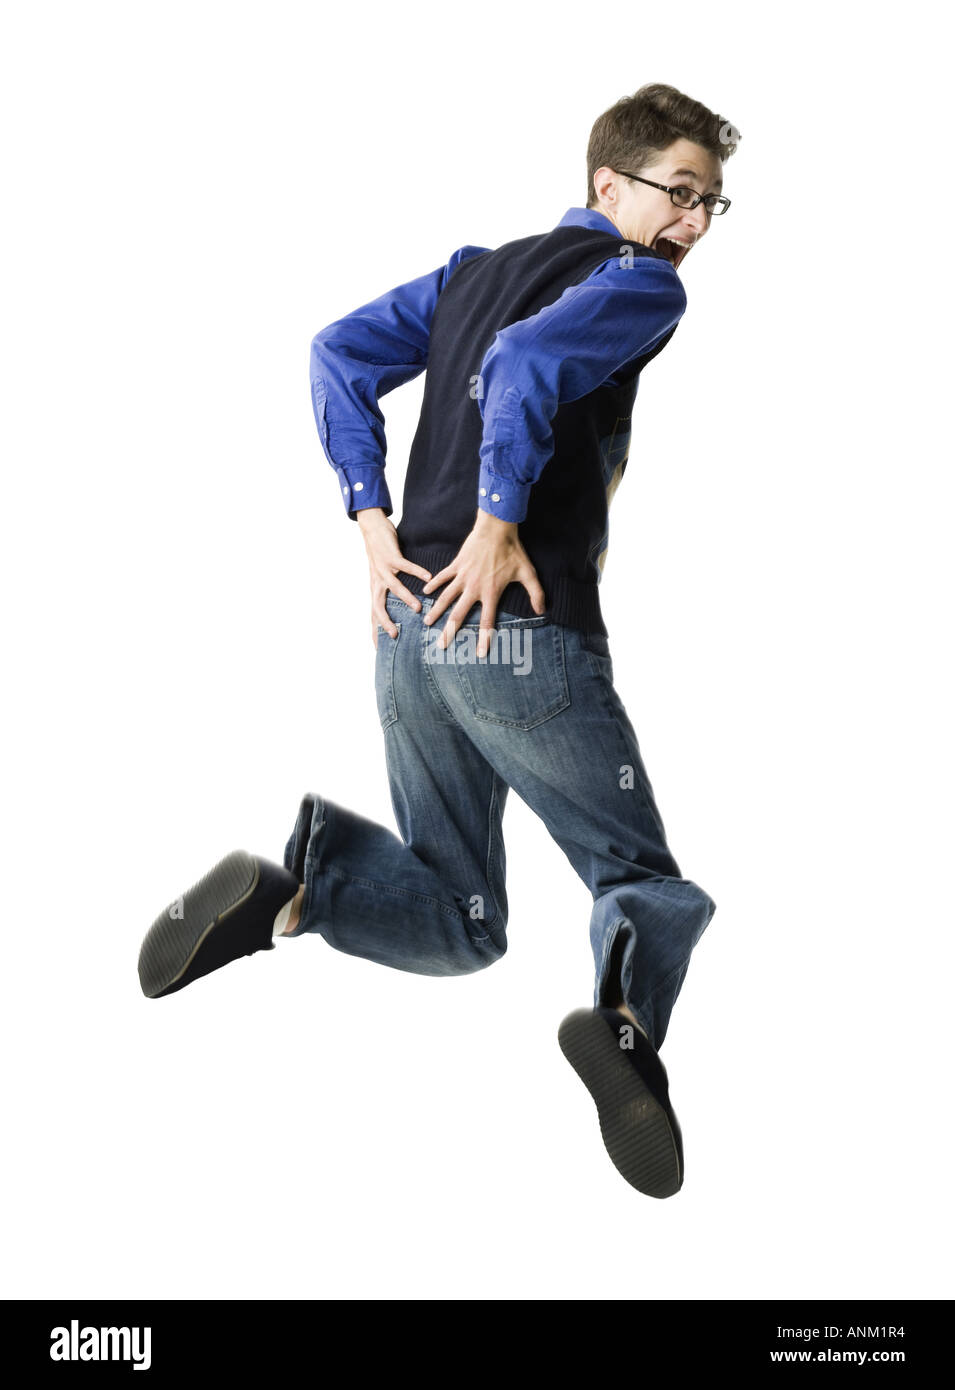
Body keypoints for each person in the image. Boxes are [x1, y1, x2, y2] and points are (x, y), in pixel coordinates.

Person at [138, 82, 739, 1199]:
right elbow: (522, 367)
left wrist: (371, 519)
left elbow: (337, 351)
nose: (695, 224)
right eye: (681, 193)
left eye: (714, 205)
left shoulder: (472, 272)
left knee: (462, 918)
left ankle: (291, 893)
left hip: (408, 632)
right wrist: (500, 519)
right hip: (517, 637)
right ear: (609, 183)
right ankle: (623, 1029)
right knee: (640, 881)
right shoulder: (640, 281)